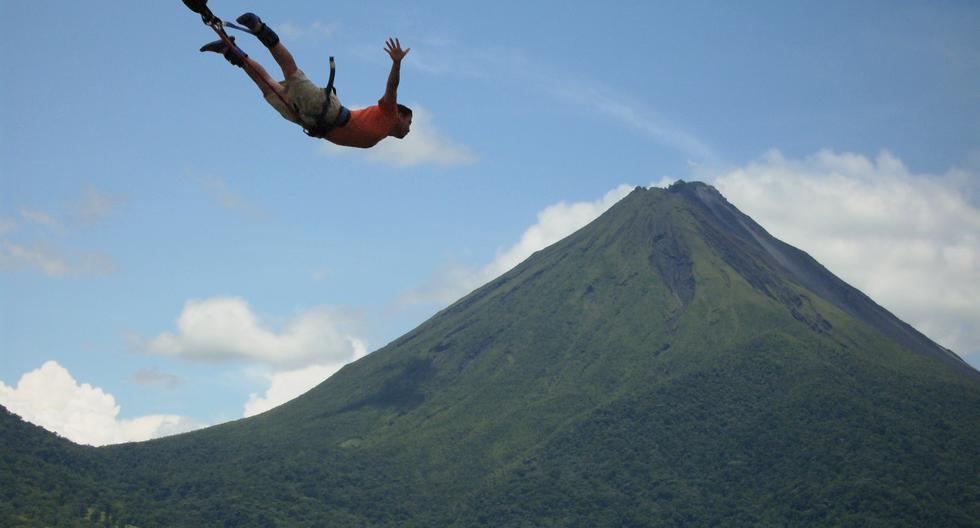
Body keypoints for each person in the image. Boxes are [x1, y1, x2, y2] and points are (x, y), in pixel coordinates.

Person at [200, 12, 412, 148]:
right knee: (291, 73)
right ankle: (260, 29)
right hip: (325, 110)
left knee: (266, 86)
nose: (409, 129)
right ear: (400, 115)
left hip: (309, 121)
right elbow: (392, 88)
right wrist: (396, 63)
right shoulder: (388, 114)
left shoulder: (380, 135)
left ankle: (231, 50)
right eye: (409, 122)